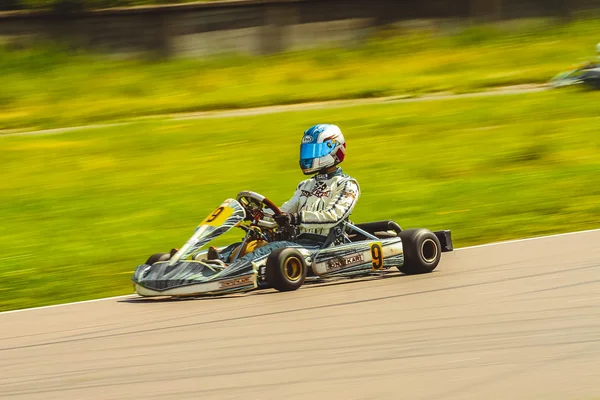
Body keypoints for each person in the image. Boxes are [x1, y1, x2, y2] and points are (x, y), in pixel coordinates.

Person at [206, 124, 360, 262]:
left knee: (273, 249)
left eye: (315, 151)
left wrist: (297, 218)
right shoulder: (306, 185)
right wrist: (256, 215)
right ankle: (212, 263)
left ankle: (228, 271)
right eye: (307, 151)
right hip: (299, 241)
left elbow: (334, 216)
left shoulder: (346, 184)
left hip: (323, 246)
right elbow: (283, 212)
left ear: (333, 149)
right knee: (246, 245)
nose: (309, 156)